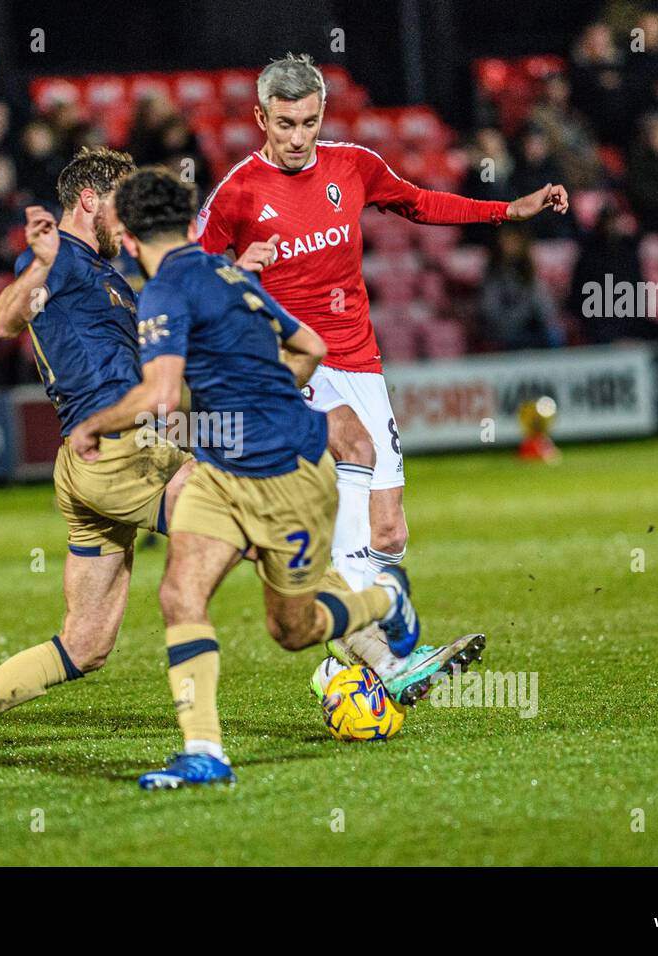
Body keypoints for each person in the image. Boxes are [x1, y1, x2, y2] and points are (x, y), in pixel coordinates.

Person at [69, 168, 475, 789]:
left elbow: (162, 392)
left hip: (277, 473)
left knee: (289, 628)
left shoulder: (165, 291)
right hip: (240, 469)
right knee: (182, 596)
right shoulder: (233, 273)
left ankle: (384, 602)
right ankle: (205, 753)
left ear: (128, 236)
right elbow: (310, 345)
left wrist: (95, 426)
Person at [195, 54, 566, 648]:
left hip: (359, 359)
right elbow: (188, 280)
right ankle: (362, 637)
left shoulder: (354, 166)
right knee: (355, 445)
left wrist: (507, 210)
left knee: (389, 533)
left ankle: (356, 647)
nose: (298, 138)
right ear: (261, 118)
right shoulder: (237, 193)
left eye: (309, 123)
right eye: (285, 124)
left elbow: (421, 201)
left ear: (322, 116)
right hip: (291, 363)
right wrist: (237, 271)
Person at [0, 148, 195, 760]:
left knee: (84, 645)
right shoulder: (61, 261)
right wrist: (39, 267)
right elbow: (6, 317)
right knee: (252, 511)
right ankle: (373, 650)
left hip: (90, 464)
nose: (131, 217)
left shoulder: (111, 276)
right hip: (116, 453)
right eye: (123, 202)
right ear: (90, 200)